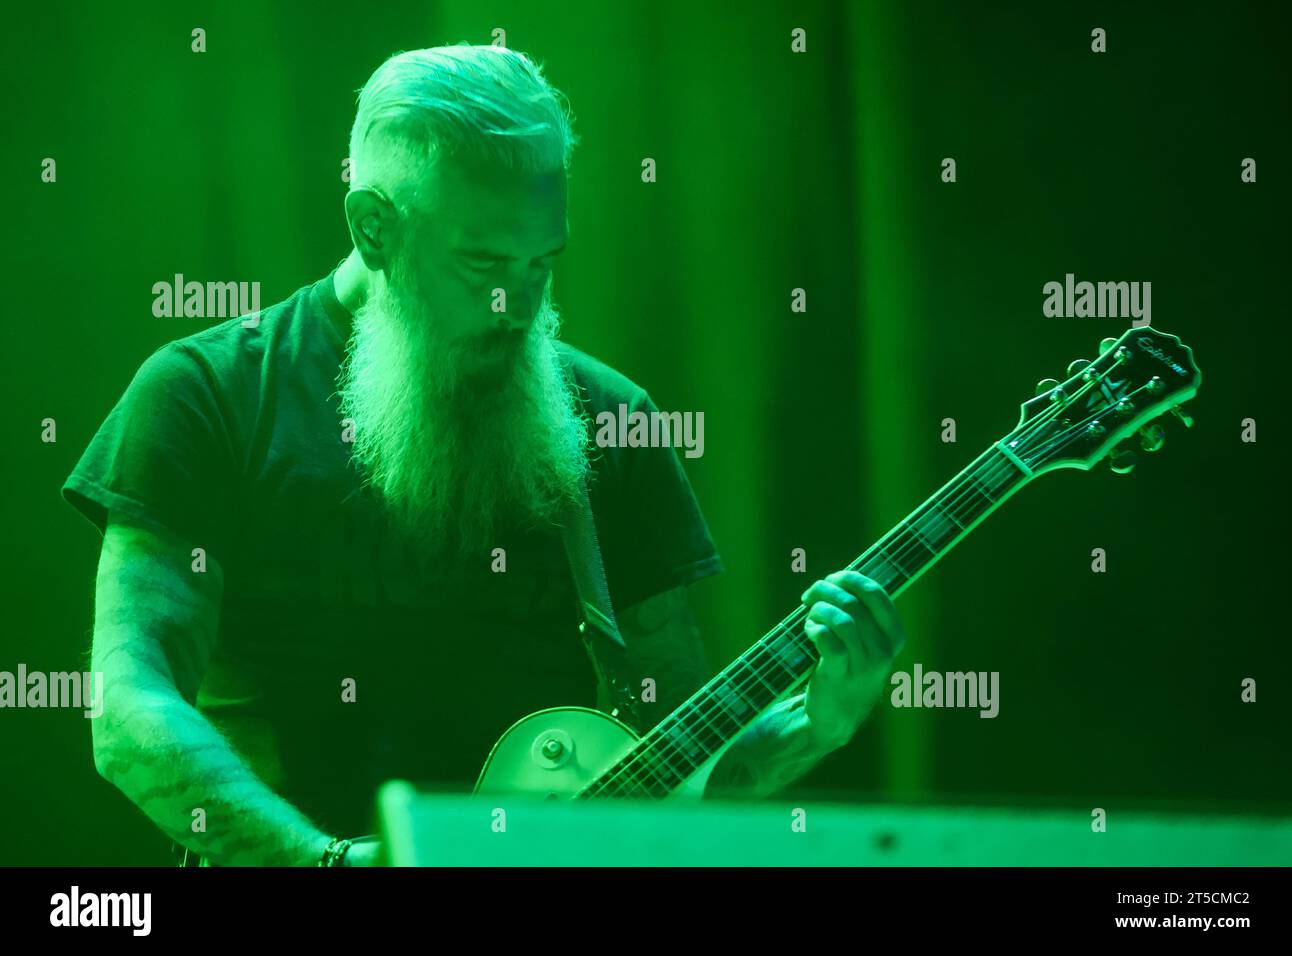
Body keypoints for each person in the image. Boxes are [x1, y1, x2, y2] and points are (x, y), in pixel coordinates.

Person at [63, 44, 905, 867]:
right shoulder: (204, 394)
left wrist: (815, 723)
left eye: (543, 261)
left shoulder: (611, 421)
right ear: (373, 227)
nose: (520, 302)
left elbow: (683, 779)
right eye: (484, 263)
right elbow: (128, 713)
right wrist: (322, 863)